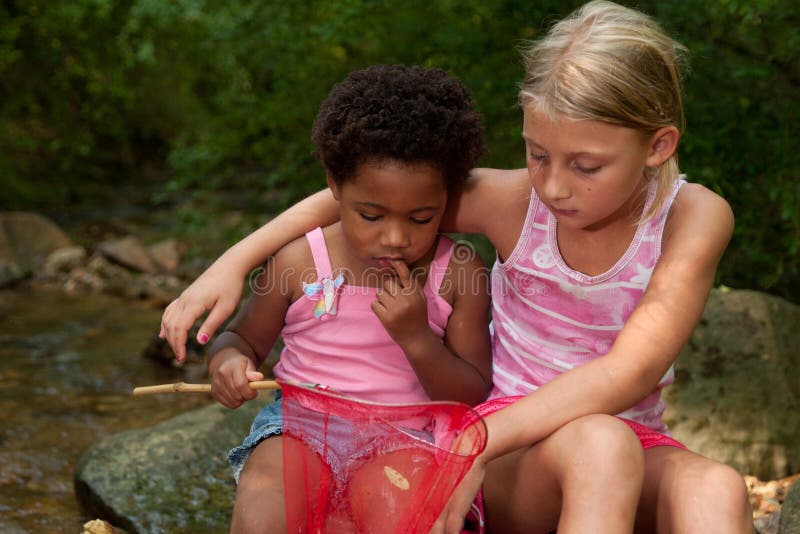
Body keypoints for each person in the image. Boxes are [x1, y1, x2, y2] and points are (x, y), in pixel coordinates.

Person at [161, 2, 753, 532]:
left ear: (657, 146)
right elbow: (368, 193)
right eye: (537, 154)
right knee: (602, 443)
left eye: (586, 166)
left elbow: (629, 373)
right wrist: (232, 264)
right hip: (511, 451)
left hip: (539, 439)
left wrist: (476, 438)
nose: (553, 186)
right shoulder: (515, 201)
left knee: (716, 487)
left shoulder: (694, 217)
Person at [204, 64, 493, 533]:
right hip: (299, 429)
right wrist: (227, 364)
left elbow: (471, 394)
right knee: (265, 500)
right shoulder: (299, 262)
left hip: (406, 438)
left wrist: (417, 338)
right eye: (371, 215)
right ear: (334, 186)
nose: (396, 237)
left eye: (421, 218)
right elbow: (240, 338)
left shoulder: (456, 274)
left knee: (400, 511)